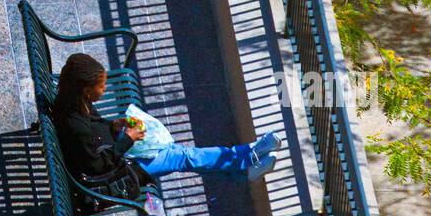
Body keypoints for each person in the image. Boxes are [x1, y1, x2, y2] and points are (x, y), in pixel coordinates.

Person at [50, 53, 281, 184]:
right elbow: (97, 167)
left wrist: (115, 125)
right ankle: (248, 158)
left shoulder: (73, 104)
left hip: (116, 155)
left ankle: (246, 164)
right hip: (119, 177)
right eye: (101, 86)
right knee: (182, 156)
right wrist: (127, 139)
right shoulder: (75, 121)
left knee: (179, 153)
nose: (104, 89)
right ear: (85, 89)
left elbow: (93, 134)